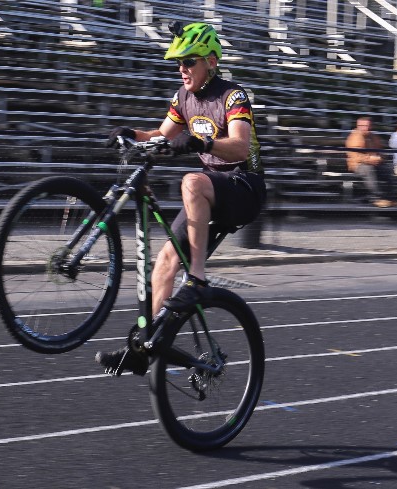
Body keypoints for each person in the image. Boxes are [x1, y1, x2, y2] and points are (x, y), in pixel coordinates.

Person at [95, 21, 266, 376]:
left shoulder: (232, 96)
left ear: (211, 62)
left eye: (190, 61)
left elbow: (239, 144)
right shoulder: (183, 97)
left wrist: (203, 143)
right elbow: (160, 133)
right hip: (212, 189)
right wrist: (129, 132)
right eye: (179, 62)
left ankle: (198, 281)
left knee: (192, 181)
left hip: (244, 185)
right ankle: (145, 347)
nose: (182, 68)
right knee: (165, 261)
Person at [345, 117, 397, 208]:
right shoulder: (354, 137)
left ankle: (390, 198)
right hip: (358, 165)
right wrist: (371, 159)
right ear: (358, 126)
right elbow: (356, 156)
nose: (365, 128)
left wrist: (379, 158)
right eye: (362, 126)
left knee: (388, 170)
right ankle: (377, 198)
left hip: (374, 164)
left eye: (367, 125)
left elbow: (380, 152)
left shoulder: (374, 137)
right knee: (368, 169)